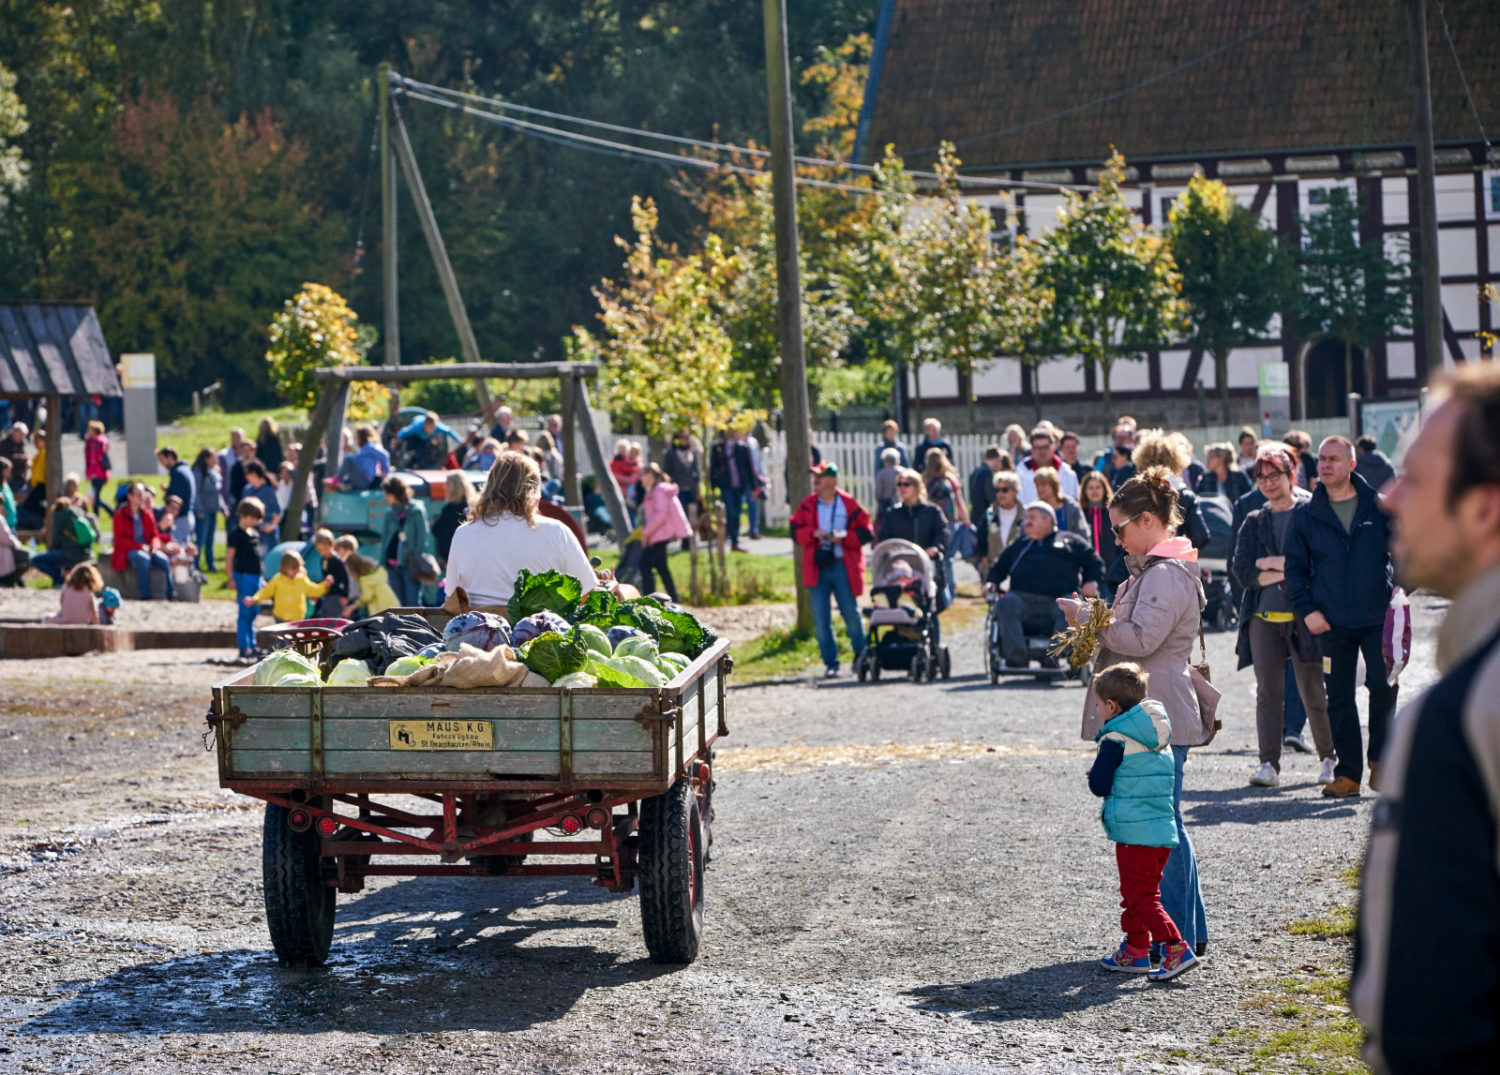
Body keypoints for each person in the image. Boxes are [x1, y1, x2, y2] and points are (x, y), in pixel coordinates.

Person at [1351, 362, 1500, 1072]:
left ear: (1484, 509)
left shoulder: (1473, 706)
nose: (1387, 497)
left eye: (1414, 477)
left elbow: (1433, 997)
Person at [1065, 467, 1211, 957]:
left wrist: (1089, 618)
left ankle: (1172, 943)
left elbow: (1142, 640)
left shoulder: (1165, 575)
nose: (1116, 537)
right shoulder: (1155, 570)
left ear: (1148, 520)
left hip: (1158, 713)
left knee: (1156, 828)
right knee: (1164, 823)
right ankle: (1184, 933)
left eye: (1120, 527)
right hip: (1155, 710)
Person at [1284, 435, 1396, 798]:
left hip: (1378, 617)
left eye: (1334, 458)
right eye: (1321, 459)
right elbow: (1295, 571)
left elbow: (1405, 554)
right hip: (1330, 622)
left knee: (1384, 685)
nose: (1326, 464)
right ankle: (1348, 774)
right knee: (1340, 697)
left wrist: (1399, 591)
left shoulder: (1379, 507)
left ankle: (1382, 761)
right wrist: (1309, 611)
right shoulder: (1306, 515)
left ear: (1352, 465)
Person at [1231, 446, 1336, 789]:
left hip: (1305, 616)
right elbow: (1243, 570)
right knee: (1268, 693)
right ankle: (1268, 764)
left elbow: (1319, 564)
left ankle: (1328, 759)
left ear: (1290, 475)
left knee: (1312, 691)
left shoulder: (1309, 514)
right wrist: (1287, 567)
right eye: (1261, 477)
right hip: (1263, 616)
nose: (1267, 482)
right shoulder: (1254, 520)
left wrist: (1272, 564)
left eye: (1274, 475)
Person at [1088, 662, 1199, 981]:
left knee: (1141, 897)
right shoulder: (1157, 733)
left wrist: (1096, 773)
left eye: (1098, 703)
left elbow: (1100, 785)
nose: (1097, 709)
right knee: (1136, 892)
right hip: (1159, 830)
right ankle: (1136, 949)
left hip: (1134, 832)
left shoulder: (1115, 737)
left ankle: (1175, 947)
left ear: (1112, 705)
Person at [444, 451, 599, 612]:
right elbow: (587, 595)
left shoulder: (463, 534)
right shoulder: (557, 532)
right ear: (534, 493)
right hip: (543, 633)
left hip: (478, 634)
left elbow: (451, 601)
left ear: (489, 489)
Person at [986, 504, 1103, 666]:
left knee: (1070, 605)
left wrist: (1091, 581)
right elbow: (998, 568)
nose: (1026, 522)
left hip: (1059, 601)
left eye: (1032, 518)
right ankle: (1017, 653)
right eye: (1026, 518)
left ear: (1048, 520)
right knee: (1005, 603)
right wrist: (991, 582)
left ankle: (1054, 654)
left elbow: (1095, 563)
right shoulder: (1020, 545)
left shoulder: (1070, 541)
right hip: (1022, 600)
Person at [790, 462, 872, 678]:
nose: (815, 481)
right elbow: (795, 531)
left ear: (833, 481)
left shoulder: (849, 503)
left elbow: (866, 532)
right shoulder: (807, 505)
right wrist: (812, 533)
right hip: (817, 567)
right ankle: (831, 663)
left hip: (842, 565)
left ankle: (862, 657)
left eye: (820, 476)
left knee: (851, 614)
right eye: (815, 477)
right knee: (820, 619)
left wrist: (844, 539)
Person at [879, 467, 950, 630]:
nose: (902, 488)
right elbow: (884, 539)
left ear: (918, 488)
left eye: (906, 484)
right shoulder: (892, 514)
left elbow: (942, 533)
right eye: (899, 485)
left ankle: (933, 646)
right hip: (901, 570)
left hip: (926, 568)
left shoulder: (931, 512)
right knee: (901, 607)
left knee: (930, 611)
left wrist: (936, 548)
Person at [378, 475, 434, 608]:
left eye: (387, 494)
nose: (385, 497)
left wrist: (415, 556)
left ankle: (415, 628)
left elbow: (422, 538)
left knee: (412, 602)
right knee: (398, 604)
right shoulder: (389, 514)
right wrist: (382, 562)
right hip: (392, 565)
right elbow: (385, 538)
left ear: (395, 493)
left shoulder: (416, 511)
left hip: (409, 565)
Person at [112, 482, 174, 601]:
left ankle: (171, 593)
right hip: (129, 550)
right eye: (138, 495)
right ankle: (145, 594)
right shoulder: (120, 515)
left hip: (146, 548)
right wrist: (141, 547)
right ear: (130, 497)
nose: (142, 498)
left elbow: (155, 536)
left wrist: (153, 547)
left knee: (164, 560)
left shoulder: (146, 514)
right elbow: (120, 541)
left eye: (143, 495)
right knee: (143, 559)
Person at [638, 463, 691, 601]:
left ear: (651, 476)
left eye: (643, 475)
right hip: (661, 533)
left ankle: (649, 600)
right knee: (661, 567)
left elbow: (660, 515)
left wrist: (646, 533)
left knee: (645, 564)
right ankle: (673, 597)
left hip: (660, 534)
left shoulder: (659, 490)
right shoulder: (656, 490)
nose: (641, 478)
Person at [244, 549, 330, 623]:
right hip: (280, 618)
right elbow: (266, 591)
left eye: (297, 568)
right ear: (285, 568)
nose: (296, 571)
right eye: (293, 569)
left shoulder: (302, 580)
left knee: (295, 641)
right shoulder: (278, 579)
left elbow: (314, 590)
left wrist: (325, 584)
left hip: (296, 619)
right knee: (282, 641)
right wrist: (255, 599)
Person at [709, 430, 758, 553]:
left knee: (737, 512)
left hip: (740, 486)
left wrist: (753, 487)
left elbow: (749, 468)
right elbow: (713, 468)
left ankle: (734, 541)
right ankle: (731, 538)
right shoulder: (718, 448)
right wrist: (713, 487)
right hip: (726, 486)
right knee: (731, 512)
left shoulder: (742, 447)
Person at [227, 501, 264, 658]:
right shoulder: (236, 535)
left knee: (253, 613)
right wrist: (230, 578)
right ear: (242, 515)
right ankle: (244, 646)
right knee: (244, 612)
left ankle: (252, 644)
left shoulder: (255, 533)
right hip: (243, 577)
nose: (254, 521)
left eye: (256, 519)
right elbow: (229, 557)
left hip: (256, 577)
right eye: (251, 517)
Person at [32, 496, 93, 587]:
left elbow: (56, 539)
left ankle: (59, 579)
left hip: (70, 554)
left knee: (35, 560)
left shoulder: (60, 515)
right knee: (54, 557)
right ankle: (61, 579)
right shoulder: (78, 512)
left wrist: (51, 550)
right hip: (85, 552)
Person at [1079, 472, 1122, 585]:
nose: (1094, 491)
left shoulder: (1113, 513)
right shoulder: (1080, 514)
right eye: (1090, 488)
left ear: (1104, 489)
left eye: (1098, 487)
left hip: (1112, 575)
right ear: (1084, 491)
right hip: (1087, 577)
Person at [1018, 426, 1080, 503]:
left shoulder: (1068, 473)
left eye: (1045, 447)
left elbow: (1075, 504)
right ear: (1031, 450)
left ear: (1053, 448)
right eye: (1037, 448)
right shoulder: (1020, 474)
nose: (1042, 452)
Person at [661, 430, 702, 548]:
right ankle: (684, 541)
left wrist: (698, 489)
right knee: (681, 513)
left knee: (691, 514)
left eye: (687, 437)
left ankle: (691, 539)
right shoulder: (670, 453)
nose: (685, 440)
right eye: (682, 438)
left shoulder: (692, 452)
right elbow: (667, 472)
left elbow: (697, 471)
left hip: (691, 488)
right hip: (677, 489)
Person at [1034, 466, 1091, 544]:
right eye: (1037, 485)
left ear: (1054, 485)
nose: (1039, 489)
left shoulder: (1071, 507)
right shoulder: (1033, 510)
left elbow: (1083, 535)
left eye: (1043, 485)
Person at [967, 445, 1006, 552]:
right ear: (994, 459)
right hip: (985, 515)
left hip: (975, 512)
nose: (1000, 464)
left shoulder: (975, 471)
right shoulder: (987, 473)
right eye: (999, 461)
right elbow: (991, 496)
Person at [156, 446, 196, 545]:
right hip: (188, 516)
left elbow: (177, 500)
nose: (161, 463)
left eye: (162, 459)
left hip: (181, 518)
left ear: (170, 457)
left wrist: (167, 497)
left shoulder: (178, 473)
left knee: (177, 551)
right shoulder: (185, 469)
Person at [983, 472, 1024, 569]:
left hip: (1018, 568)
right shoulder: (989, 514)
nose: (1000, 494)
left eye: (1005, 490)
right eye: (997, 490)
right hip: (994, 569)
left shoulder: (1026, 514)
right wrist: (983, 557)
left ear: (1015, 491)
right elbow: (981, 539)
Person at [240, 461, 282, 554]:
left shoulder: (269, 491)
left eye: (248, 474)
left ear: (255, 474)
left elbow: (278, 512)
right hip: (251, 531)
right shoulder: (247, 490)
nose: (246, 477)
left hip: (267, 534)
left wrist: (272, 526)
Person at [431, 472, 472, 565]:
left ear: (453, 487)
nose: (444, 487)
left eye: (447, 484)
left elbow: (440, 532)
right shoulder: (471, 508)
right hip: (468, 558)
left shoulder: (450, 511)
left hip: (453, 558)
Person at [84, 420, 112, 517]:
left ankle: (110, 513)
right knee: (96, 498)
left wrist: (89, 473)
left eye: (90, 429)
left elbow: (93, 460)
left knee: (96, 499)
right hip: (102, 473)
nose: (88, 431)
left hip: (97, 473)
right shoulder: (101, 440)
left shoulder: (95, 442)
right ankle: (108, 514)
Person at [873, 447, 902, 523]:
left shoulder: (881, 474)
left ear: (884, 461)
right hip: (901, 505)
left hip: (885, 506)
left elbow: (878, 493)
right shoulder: (903, 471)